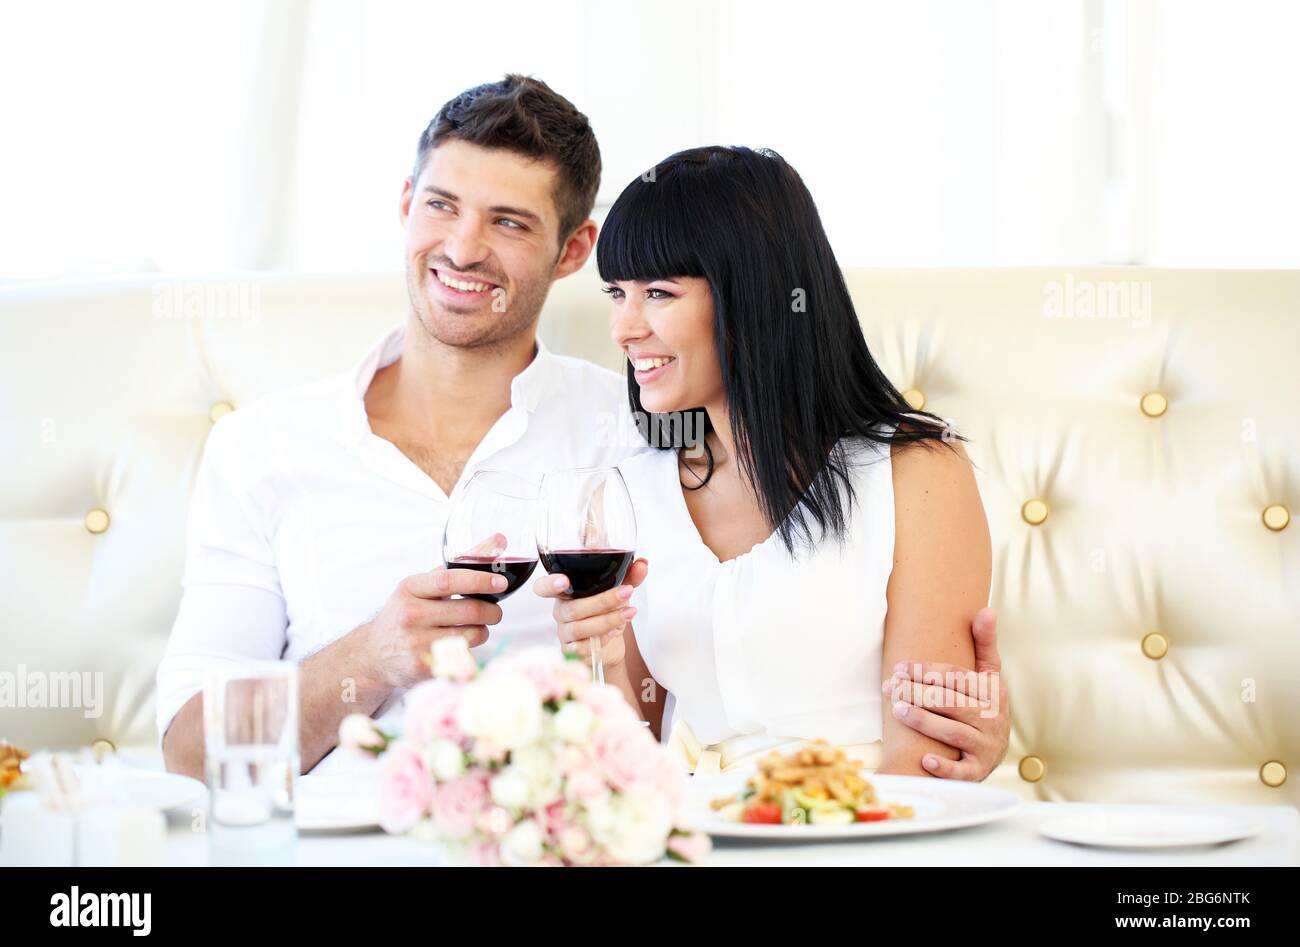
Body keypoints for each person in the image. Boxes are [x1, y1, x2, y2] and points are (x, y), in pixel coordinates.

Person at [159, 77, 1008, 781]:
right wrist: (371, 657)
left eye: (509, 222)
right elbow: (191, 750)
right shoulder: (262, 448)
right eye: (443, 205)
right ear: (406, 203)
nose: (461, 247)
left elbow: (663, 715)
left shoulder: (641, 440)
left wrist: (965, 746)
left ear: (571, 249)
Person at [535, 146, 1005, 778]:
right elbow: (630, 768)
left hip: (859, 834)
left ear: (751, 295)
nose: (624, 327)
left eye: (659, 292)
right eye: (617, 293)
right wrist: (601, 662)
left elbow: (926, 763)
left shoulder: (914, 475)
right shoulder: (627, 493)